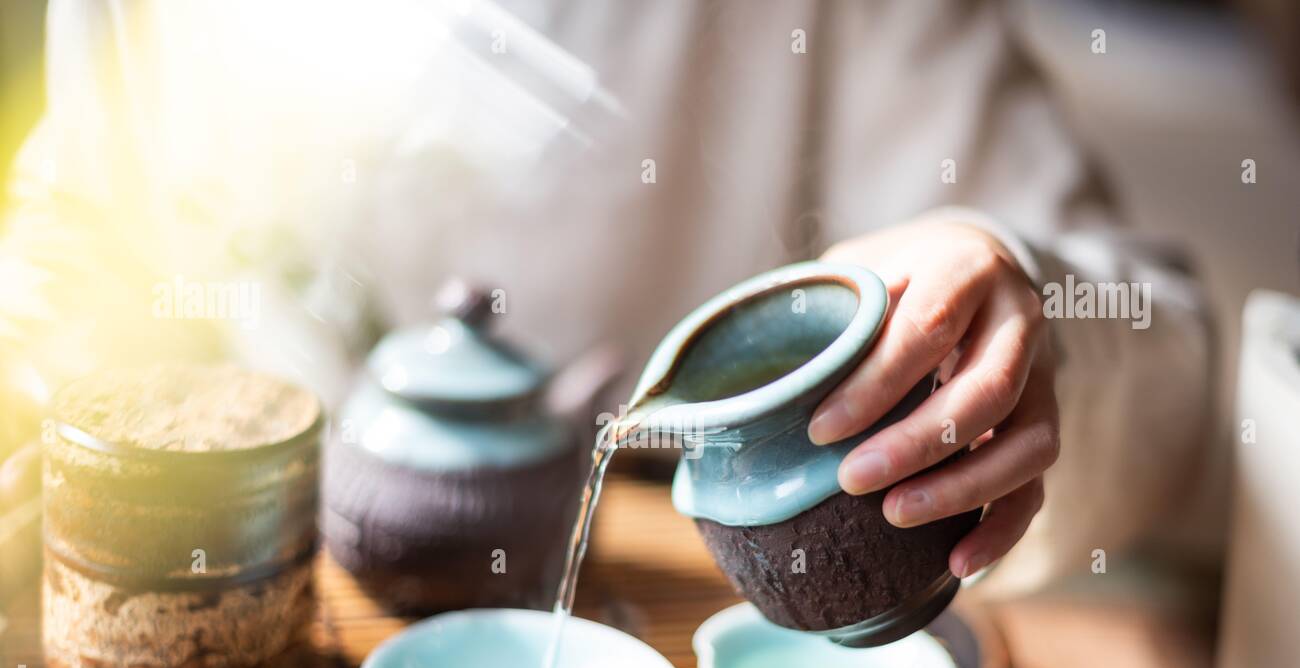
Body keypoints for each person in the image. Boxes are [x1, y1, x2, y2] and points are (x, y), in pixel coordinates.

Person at [0, 0, 1213, 599]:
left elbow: (1166, 333)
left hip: (681, 586)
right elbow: (81, 230)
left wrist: (1004, 281)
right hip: (239, 573)